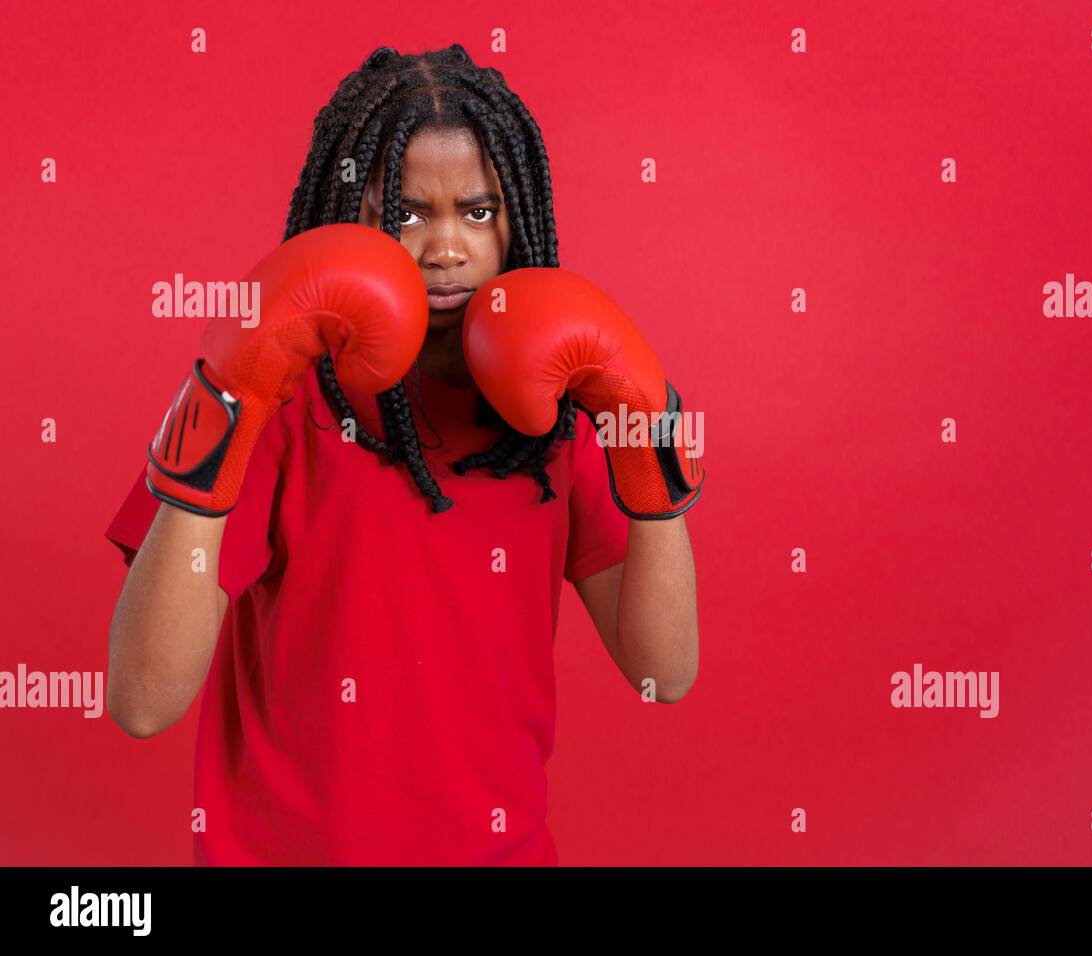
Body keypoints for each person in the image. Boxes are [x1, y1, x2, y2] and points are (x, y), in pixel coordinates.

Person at [104, 45, 703, 866]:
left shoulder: (555, 419)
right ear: (349, 218)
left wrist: (651, 440)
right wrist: (226, 408)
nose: (446, 247)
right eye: (407, 213)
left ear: (517, 219)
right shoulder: (284, 402)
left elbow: (662, 673)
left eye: (480, 211)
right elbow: (142, 699)